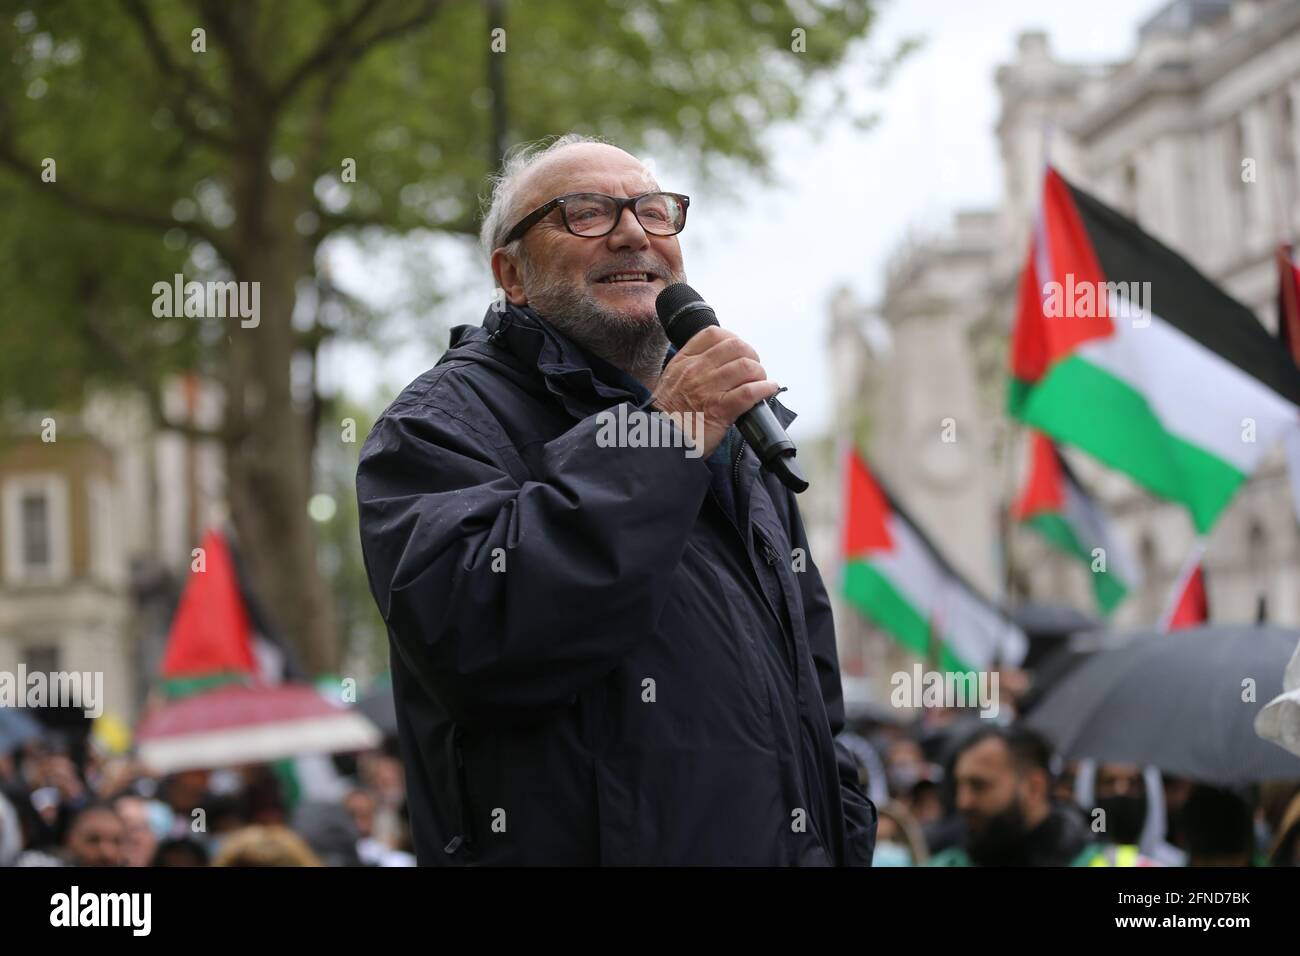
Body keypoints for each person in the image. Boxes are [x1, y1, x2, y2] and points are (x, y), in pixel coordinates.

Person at [356, 133, 876, 866]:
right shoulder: (435, 427)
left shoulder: (736, 437)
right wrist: (662, 440)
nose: (635, 232)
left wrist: (843, 835)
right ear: (512, 272)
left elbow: (815, 701)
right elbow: (480, 632)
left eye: (656, 212)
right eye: (587, 214)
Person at [928, 726, 1096, 866]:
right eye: (959, 786)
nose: (963, 802)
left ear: (1034, 788)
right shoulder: (948, 863)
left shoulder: (1094, 861)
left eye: (979, 785)